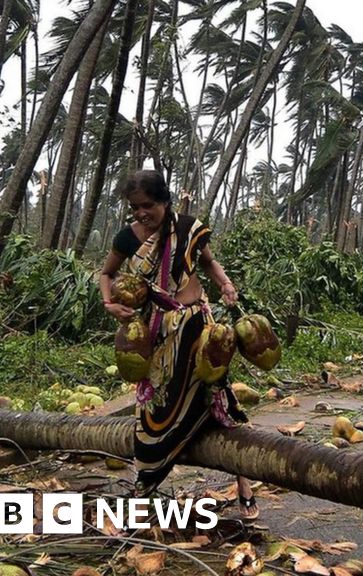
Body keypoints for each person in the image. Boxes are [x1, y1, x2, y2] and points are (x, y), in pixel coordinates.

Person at [99, 170, 259, 520]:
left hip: (199, 328)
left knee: (217, 398)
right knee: (156, 409)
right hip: (158, 332)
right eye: (134, 207)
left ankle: (244, 486)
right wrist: (109, 302)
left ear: (165, 201)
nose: (141, 213)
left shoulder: (187, 228)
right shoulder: (127, 238)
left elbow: (209, 262)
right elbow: (106, 274)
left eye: (148, 206)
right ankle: (147, 483)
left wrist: (227, 285)